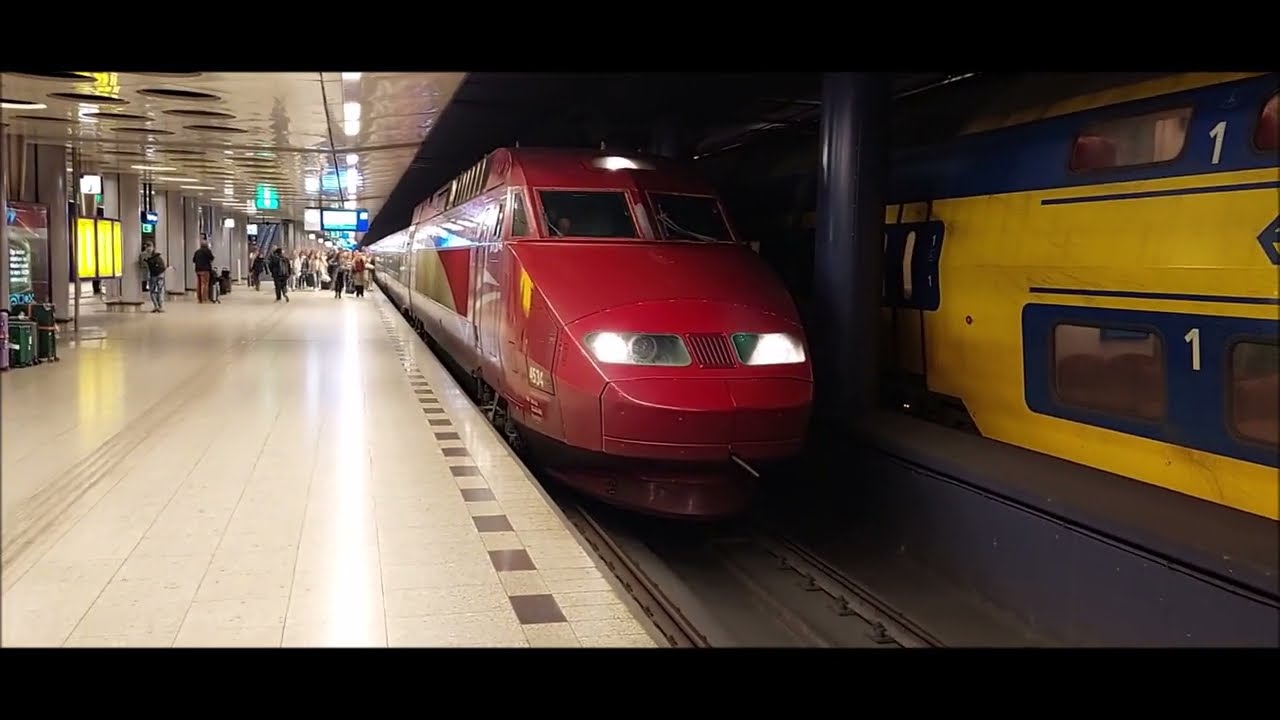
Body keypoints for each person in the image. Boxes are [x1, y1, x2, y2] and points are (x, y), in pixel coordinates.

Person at [145, 245, 169, 313]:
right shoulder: (158, 257)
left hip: (153, 276)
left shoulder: (147, 258)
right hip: (160, 275)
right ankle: (160, 306)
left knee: (153, 291)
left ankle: (156, 306)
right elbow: (163, 267)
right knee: (159, 291)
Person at [193, 235, 215, 303]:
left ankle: (199, 298)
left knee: (198, 284)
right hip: (205, 270)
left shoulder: (197, 252)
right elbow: (212, 258)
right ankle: (204, 298)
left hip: (197, 270)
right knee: (205, 284)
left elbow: (193, 260)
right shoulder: (207, 251)